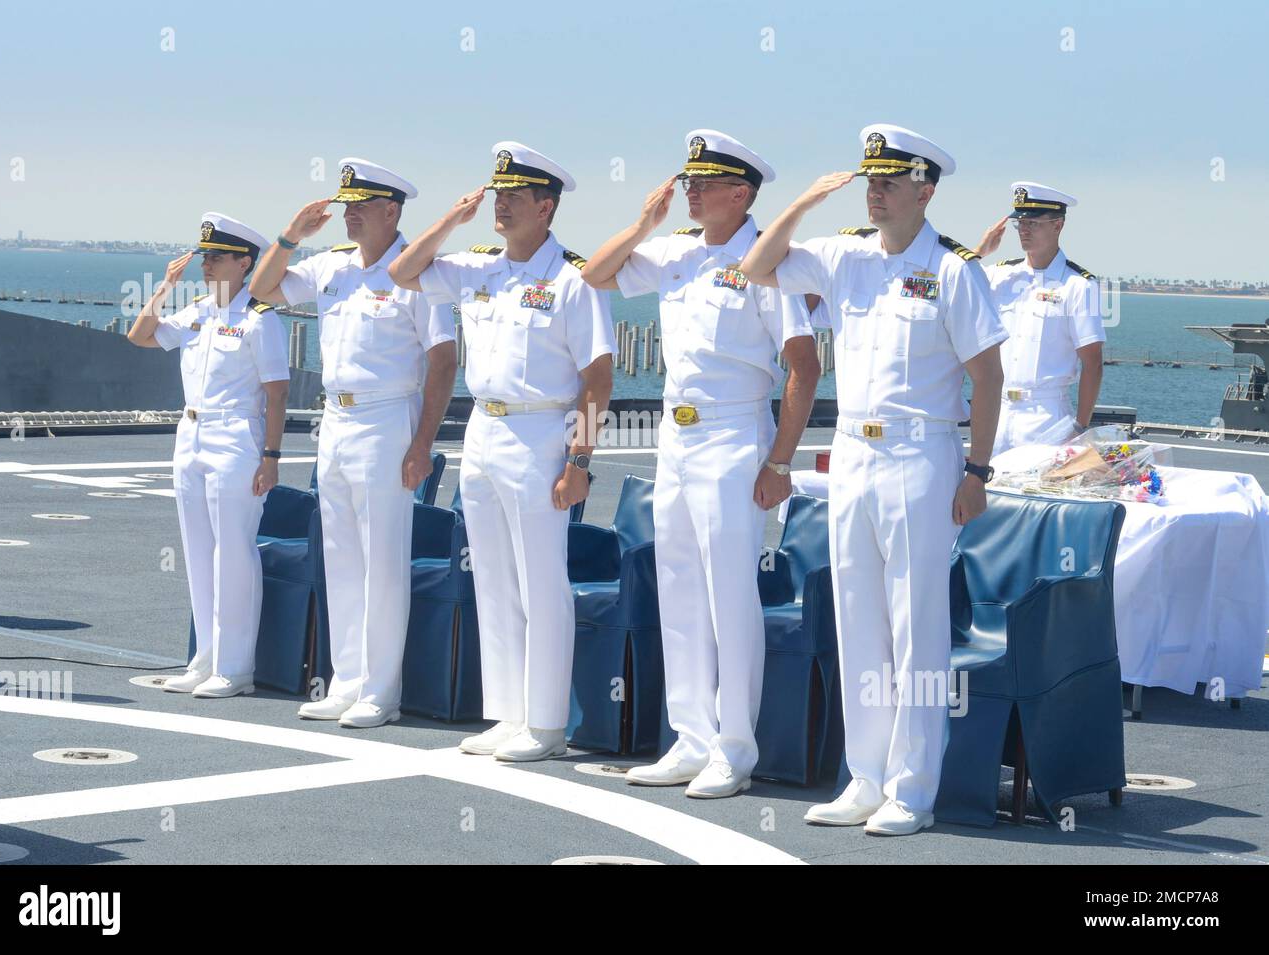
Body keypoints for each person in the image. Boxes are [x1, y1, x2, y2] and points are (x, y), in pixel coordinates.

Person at [742, 123, 1007, 835]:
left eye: (891, 179)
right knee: (857, 621)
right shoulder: (845, 257)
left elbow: (988, 376)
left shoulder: (953, 269)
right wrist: (800, 203)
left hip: (923, 456)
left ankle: (913, 787)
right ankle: (866, 775)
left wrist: (978, 469)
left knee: (915, 626)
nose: (875, 189)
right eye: (870, 178)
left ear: (926, 188)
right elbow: (758, 266)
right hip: (851, 455)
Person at [582, 130, 819, 798]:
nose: (688, 189)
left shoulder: (767, 261)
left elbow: (803, 366)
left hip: (736, 435)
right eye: (687, 179)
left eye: (703, 181)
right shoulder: (676, 254)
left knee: (729, 598)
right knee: (679, 588)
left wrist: (779, 460)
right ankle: (690, 738)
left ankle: (734, 749)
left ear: (740, 194)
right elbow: (592, 276)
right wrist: (641, 224)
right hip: (677, 438)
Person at [388, 142, 615, 761]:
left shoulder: (573, 279)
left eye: (516, 196)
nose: (502, 204)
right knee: (492, 579)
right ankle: (507, 713)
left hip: (542, 434)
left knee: (541, 582)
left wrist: (579, 463)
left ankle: (545, 724)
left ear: (547, 206)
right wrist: (449, 223)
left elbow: (598, 379)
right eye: (497, 195)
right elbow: (402, 273)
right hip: (483, 433)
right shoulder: (479, 267)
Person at [248, 158, 457, 728]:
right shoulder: (331, 266)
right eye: (345, 205)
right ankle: (347, 680)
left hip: (389, 419)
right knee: (340, 556)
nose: (349, 214)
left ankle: (381, 691)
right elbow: (262, 288)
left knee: (384, 559)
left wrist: (422, 444)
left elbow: (443, 363)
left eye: (361, 205)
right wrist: (292, 236)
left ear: (392, 211)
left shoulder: (418, 274)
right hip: (335, 421)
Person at [128, 213, 290, 698]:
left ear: (245, 263)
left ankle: (235, 666)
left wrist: (271, 456)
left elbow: (277, 394)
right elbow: (141, 336)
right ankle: (205, 659)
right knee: (199, 553)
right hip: (191, 434)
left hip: (237, 438)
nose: (208, 265)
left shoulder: (261, 320)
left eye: (217, 257)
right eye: (205, 257)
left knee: (233, 553)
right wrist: (163, 287)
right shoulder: (198, 311)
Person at [973, 182, 1104, 455]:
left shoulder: (1078, 286)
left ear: (1058, 225)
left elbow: (1092, 363)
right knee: (984, 492)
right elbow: (950, 291)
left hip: (1046, 417)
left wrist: (1079, 428)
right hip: (995, 412)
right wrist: (979, 253)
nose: (1024, 230)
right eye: (1020, 223)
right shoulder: (999, 276)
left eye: (1033, 222)